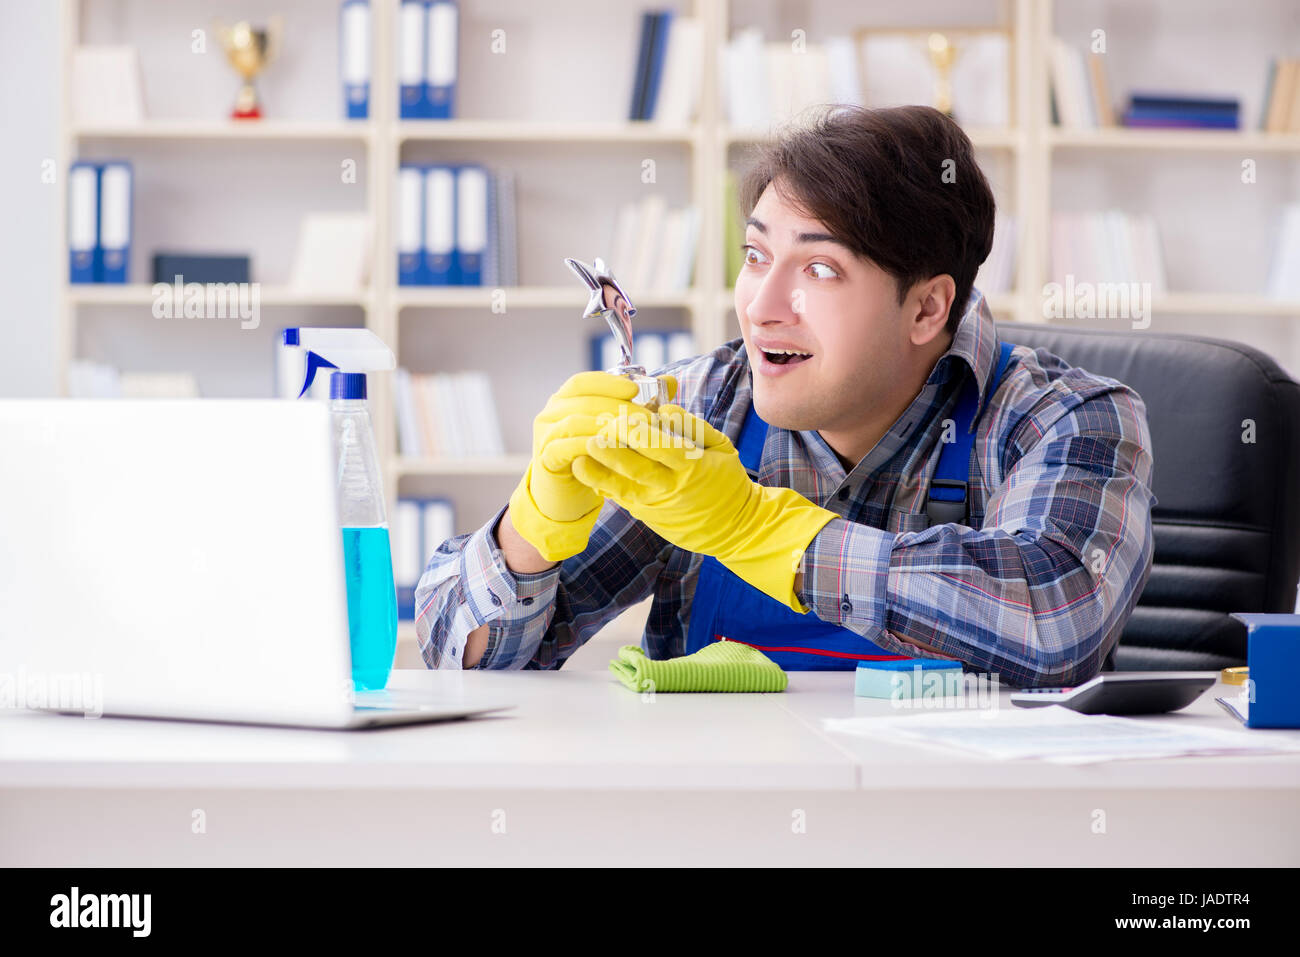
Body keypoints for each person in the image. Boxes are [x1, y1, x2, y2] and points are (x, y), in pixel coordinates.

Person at [412, 104, 1156, 687]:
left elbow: (1056, 624)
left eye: (820, 269)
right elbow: (460, 659)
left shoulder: (1068, 418)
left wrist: (755, 529)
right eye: (756, 255)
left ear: (927, 309)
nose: (762, 305)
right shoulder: (702, 407)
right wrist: (531, 533)